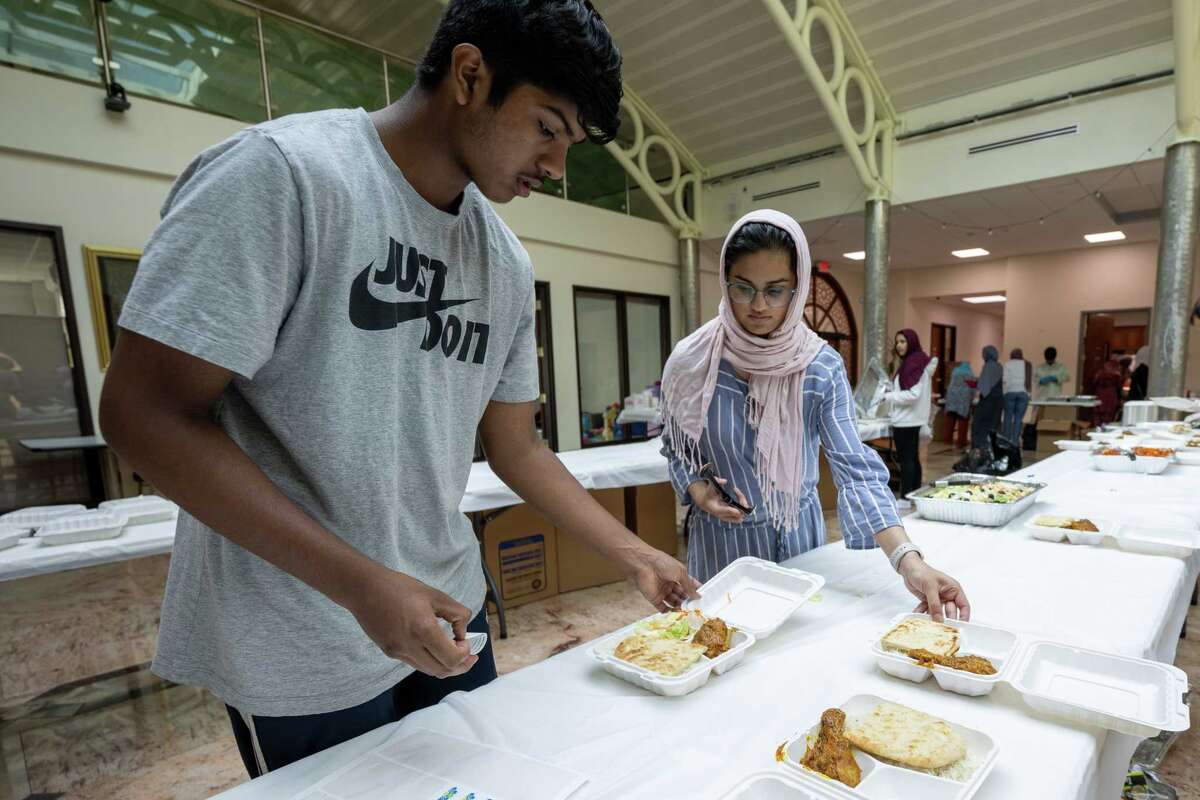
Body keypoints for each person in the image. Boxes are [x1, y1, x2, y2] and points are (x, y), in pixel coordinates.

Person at [99, 0, 699, 777]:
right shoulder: (284, 179)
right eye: (547, 128)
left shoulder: (504, 265)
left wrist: (634, 554)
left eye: (570, 143)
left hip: (445, 610)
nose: (556, 167)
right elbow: (143, 414)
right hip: (297, 636)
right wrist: (363, 586)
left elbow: (513, 443)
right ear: (470, 73)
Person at [660, 209, 970, 623]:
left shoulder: (819, 367)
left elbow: (855, 469)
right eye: (742, 288)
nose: (757, 306)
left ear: (798, 288)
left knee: (795, 652)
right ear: (724, 281)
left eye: (775, 290)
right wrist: (698, 490)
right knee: (724, 644)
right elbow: (676, 446)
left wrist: (908, 560)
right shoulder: (694, 362)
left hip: (799, 541)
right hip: (722, 546)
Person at [886, 329, 935, 502]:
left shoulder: (914, 364)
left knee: (907, 460)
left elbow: (913, 395)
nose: (899, 345)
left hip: (906, 420)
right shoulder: (915, 362)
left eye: (903, 341)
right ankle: (914, 493)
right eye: (897, 342)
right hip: (911, 419)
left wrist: (888, 396)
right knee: (913, 458)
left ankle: (906, 498)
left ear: (911, 342)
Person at [971, 346, 1004, 451]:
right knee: (993, 424)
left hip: (988, 400)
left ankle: (979, 448)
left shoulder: (988, 366)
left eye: (983, 353)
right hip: (998, 399)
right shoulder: (999, 366)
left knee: (979, 424)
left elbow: (984, 386)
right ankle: (991, 448)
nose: (982, 355)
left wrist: (976, 386)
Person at [944, 360, 976, 450]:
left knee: (950, 419)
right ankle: (961, 441)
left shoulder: (955, 372)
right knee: (963, 420)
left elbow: (949, 385)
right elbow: (973, 389)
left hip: (952, 398)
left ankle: (947, 439)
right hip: (963, 400)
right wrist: (972, 398)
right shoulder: (970, 374)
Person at [1001, 348, 1031, 444]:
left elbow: (1005, 379)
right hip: (1023, 393)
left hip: (1010, 393)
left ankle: (1006, 441)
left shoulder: (1007, 364)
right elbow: (1029, 381)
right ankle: (1015, 442)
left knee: (1008, 418)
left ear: (1011, 355)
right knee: (1018, 419)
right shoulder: (1027, 364)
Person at [1094, 358, 1123, 424]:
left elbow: (1094, 384)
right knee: (1109, 415)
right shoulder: (1117, 375)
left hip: (1100, 395)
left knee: (1098, 414)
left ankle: (1098, 428)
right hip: (1111, 396)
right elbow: (1119, 388)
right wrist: (1120, 399)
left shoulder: (1099, 374)